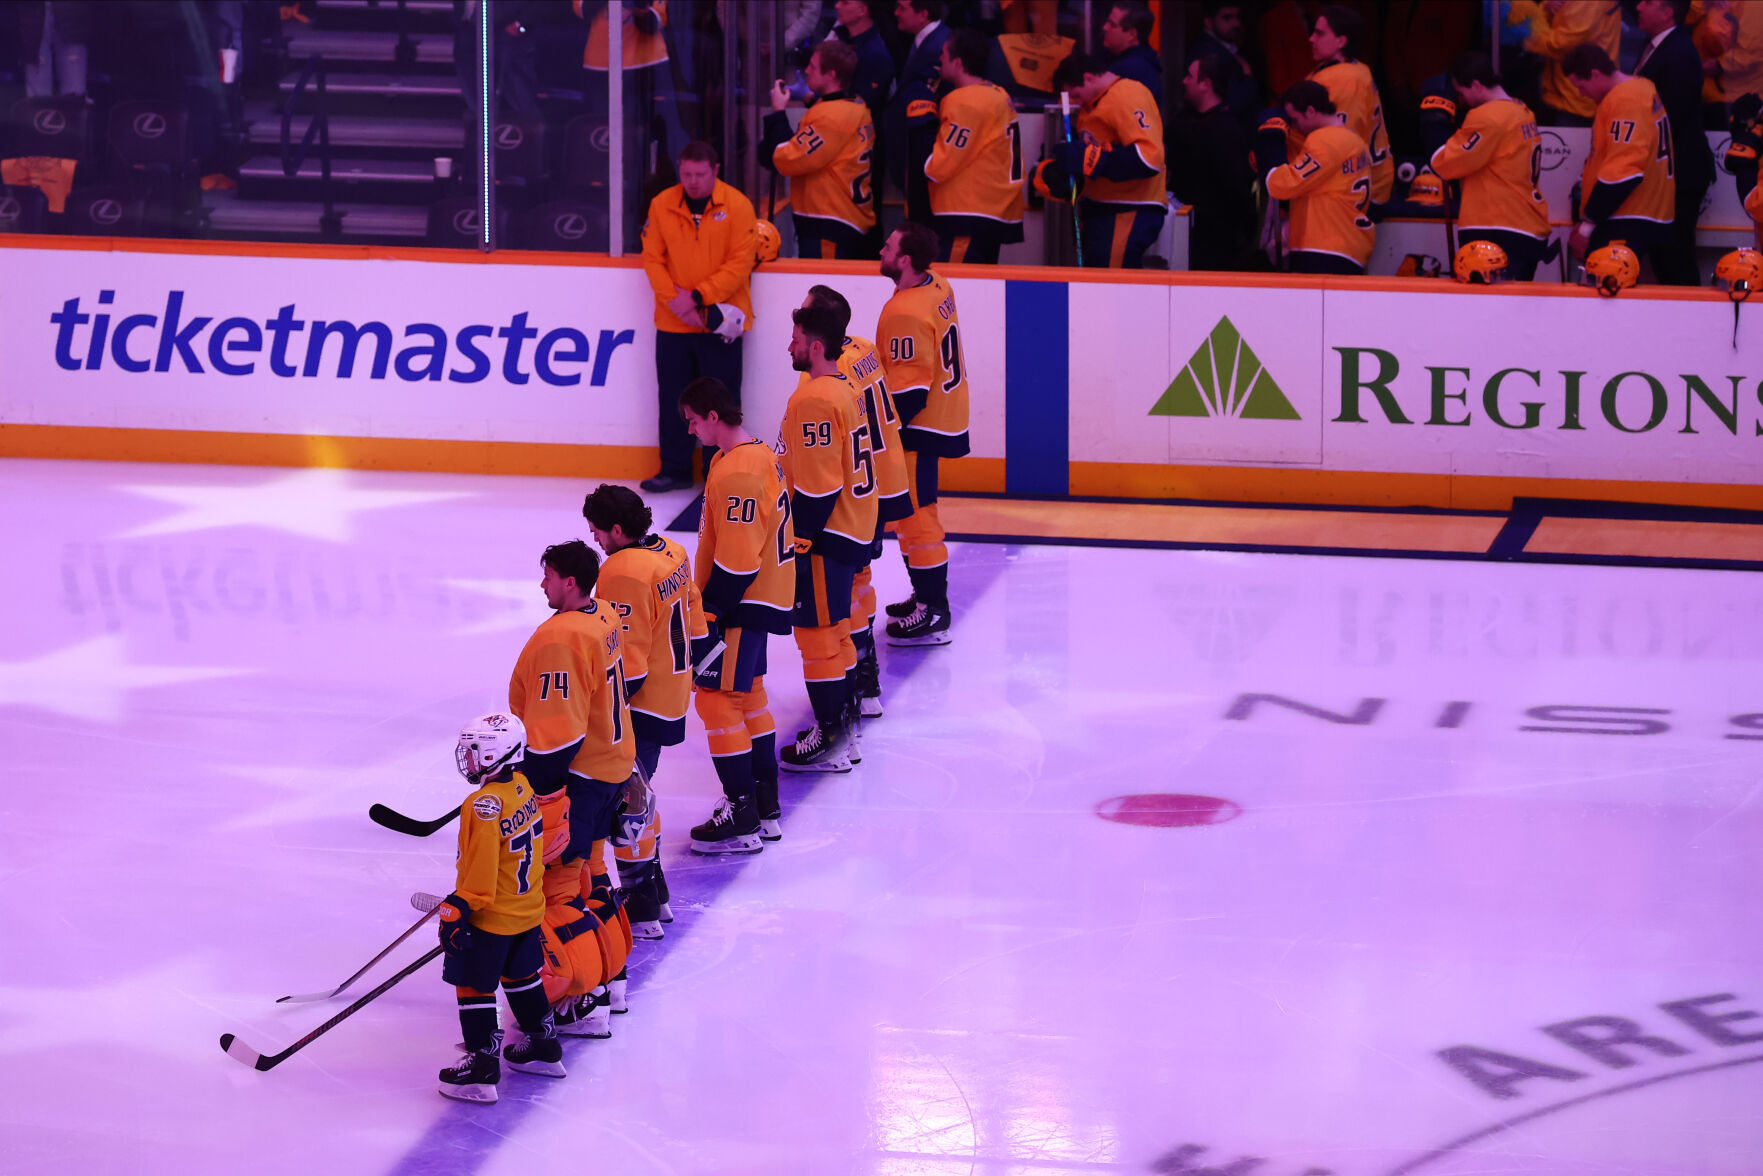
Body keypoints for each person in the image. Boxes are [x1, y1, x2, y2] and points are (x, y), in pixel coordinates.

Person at [506, 540, 637, 1017]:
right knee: (592, 873)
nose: (542, 583)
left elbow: (556, 737)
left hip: (578, 778)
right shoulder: (603, 613)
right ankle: (612, 978)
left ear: (570, 582)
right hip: (611, 764)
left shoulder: (561, 639)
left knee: (559, 889)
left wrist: (539, 796)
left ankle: (584, 1000)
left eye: (549, 575)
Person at [679, 377, 794, 850]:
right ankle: (764, 807)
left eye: (692, 421)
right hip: (757, 598)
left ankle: (741, 811)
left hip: (742, 602)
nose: (690, 431)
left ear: (712, 416)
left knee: (717, 700)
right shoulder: (747, 455)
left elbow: (739, 561)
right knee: (750, 698)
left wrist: (710, 612)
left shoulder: (740, 471)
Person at [582, 483, 700, 940]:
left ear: (616, 529)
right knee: (639, 793)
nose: (595, 539)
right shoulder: (671, 549)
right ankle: (656, 894)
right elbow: (695, 618)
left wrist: (599, 713)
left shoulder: (622, 570)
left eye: (597, 531)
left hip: (641, 703)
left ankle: (642, 907)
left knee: (627, 802)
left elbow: (628, 661)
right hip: (672, 692)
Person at [436, 713, 564, 1103]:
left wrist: (460, 906)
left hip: (493, 917)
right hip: (527, 909)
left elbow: (482, 870)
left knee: (472, 982)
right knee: (522, 975)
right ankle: (543, 1044)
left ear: (495, 754)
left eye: (474, 751)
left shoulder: (482, 805)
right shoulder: (522, 786)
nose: (467, 759)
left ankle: (481, 1066)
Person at [801, 283, 912, 719]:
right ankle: (865, 681)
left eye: (806, 313)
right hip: (878, 482)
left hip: (849, 495)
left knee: (842, 592)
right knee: (859, 583)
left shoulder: (828, 372)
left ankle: (856, 683)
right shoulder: (863, 347)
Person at [777, 303, 878, 772]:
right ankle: (844, 730)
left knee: (818, 638)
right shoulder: (847, 386)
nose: (790, 346)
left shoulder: (814, 398)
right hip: (853, 526)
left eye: (796, 340)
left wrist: (797, 539)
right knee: (837, 633)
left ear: (815, 347)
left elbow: (819, 486)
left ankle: (831, 739)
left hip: (826, 534)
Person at [640, 141, 757, 494]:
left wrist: (696, 298)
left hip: (720, 323)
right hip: (673, 323)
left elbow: (740, 263)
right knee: (673, 398)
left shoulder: (738, 205)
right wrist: (676, 303)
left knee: (721, 402)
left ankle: (720, 470)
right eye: (686, 173)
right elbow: (652, 258)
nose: (692, 181)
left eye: (700, 174)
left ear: (715, 170)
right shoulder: (661, 204)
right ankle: (674, 469)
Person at [877, 221, 966, 646]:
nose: (881, 250)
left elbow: (909, 392)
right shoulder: (937, 283)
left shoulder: (906, 312)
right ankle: (924, 595)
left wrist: (884, 435)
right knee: (909, 516)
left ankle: (933, 610)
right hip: (942, 413)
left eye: (888, 246)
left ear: (906, 260)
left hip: (919, 424)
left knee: (916, 517)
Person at [1039, 51, 1167, 269]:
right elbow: (1099, 157)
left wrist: (1088, 159)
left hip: (1128, 208)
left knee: (1112, 282)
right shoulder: (1093, 105)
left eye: (1076, 95)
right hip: (1102, 208)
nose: (1076, 102)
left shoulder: (1128, 94)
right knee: (1098, 279)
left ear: (1088, 78)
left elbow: (1150, 157)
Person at [1430, 51, 1550, 280]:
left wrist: (1433, 120)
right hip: (1526, 225)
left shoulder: (1488, 117)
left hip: (1498, 227)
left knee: (1490, 303)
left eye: (1460, 92)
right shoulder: (1522, 111)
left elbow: (1444, 163)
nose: (1460, 99)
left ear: (1476, 85)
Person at [761, 40, 877, 259]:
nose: (807, 70)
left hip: (830, 222)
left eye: (813, 67)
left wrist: (778, 112)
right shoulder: (857, 105)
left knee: (824, 282)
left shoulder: (830, 117)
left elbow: (786, 159)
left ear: (831, 75)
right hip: (845, 218)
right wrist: (808, 97)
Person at [1563, 43, 1675, 263]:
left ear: (1595, 74)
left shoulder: (1625, 99)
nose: (1581, 94)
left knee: (1609, 281)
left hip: (1627, 218)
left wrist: (1587, 226)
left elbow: (1624, 172)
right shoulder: (1642, 87)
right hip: (1647, 214)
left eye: (1582, 86)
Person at [925, 29, 1025, 263]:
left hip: (966, 212)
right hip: (992, 210)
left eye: (944, 54)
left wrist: (922, 151)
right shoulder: (998, 94)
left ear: (958, 63)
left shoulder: (966, 101)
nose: (940, 59)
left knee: (954, 283)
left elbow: (940, 167)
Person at [1635, 0, 1714, 285]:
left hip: (1680, 172)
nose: (1639, 7)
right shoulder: (1656, 46)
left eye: (1648, 2)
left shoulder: (1679, 52)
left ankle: (1691, 311)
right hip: (1666, 173)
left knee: (1674, 257)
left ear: (1668, 13)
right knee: (1663, 256)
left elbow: (1671, 115)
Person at [1266, 80, 1375, 275]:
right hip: (1350, 245)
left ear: (1310, 111)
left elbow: (1285, 185)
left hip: (1324, 246)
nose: (1294, 126)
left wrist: (1269, 153)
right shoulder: (1356, 141)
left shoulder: (1326, 141)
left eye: (1295, 119)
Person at [1169, 53, 1257, 271]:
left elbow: (1236, 188)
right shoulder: (1183, 122)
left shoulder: (1226, 130)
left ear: (1205, 84)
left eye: (1190, 76)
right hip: (1185, 232)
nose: (1184, 81)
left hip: (1216, 243)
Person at [1300, 5, 1393, 206]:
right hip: (1361, 186)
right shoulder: (1354, 69)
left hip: (1352, 193)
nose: (1311, 39)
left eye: (1320, 34)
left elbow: (1340, 149)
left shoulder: (1344, 80)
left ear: (1341, 41)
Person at [888, 0, 952, 226]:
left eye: (902, 8)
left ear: (923, 14)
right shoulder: (923, 40)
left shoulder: (940, 46)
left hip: (925, 150)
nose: (896, 13)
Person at [1515, 0, 1622, 126]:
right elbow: (1558, 16)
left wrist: (1526, 37)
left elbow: (1563, 45)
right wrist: (1546, 8)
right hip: (1571, 94)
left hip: (1578, 99)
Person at [1190, 1, 1258, 129]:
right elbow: (1236, 103)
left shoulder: (1229, 49)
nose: (1236, 24)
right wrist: (1247, 77)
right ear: (1208, 22)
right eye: (1227, 17)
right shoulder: (1208, 54)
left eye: (1238, 17)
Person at [1101, 1, 1164, 107]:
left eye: (1112, 24)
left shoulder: (1130, 70)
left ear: (1132, 34)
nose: (1105, 27)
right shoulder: (1144, 64)